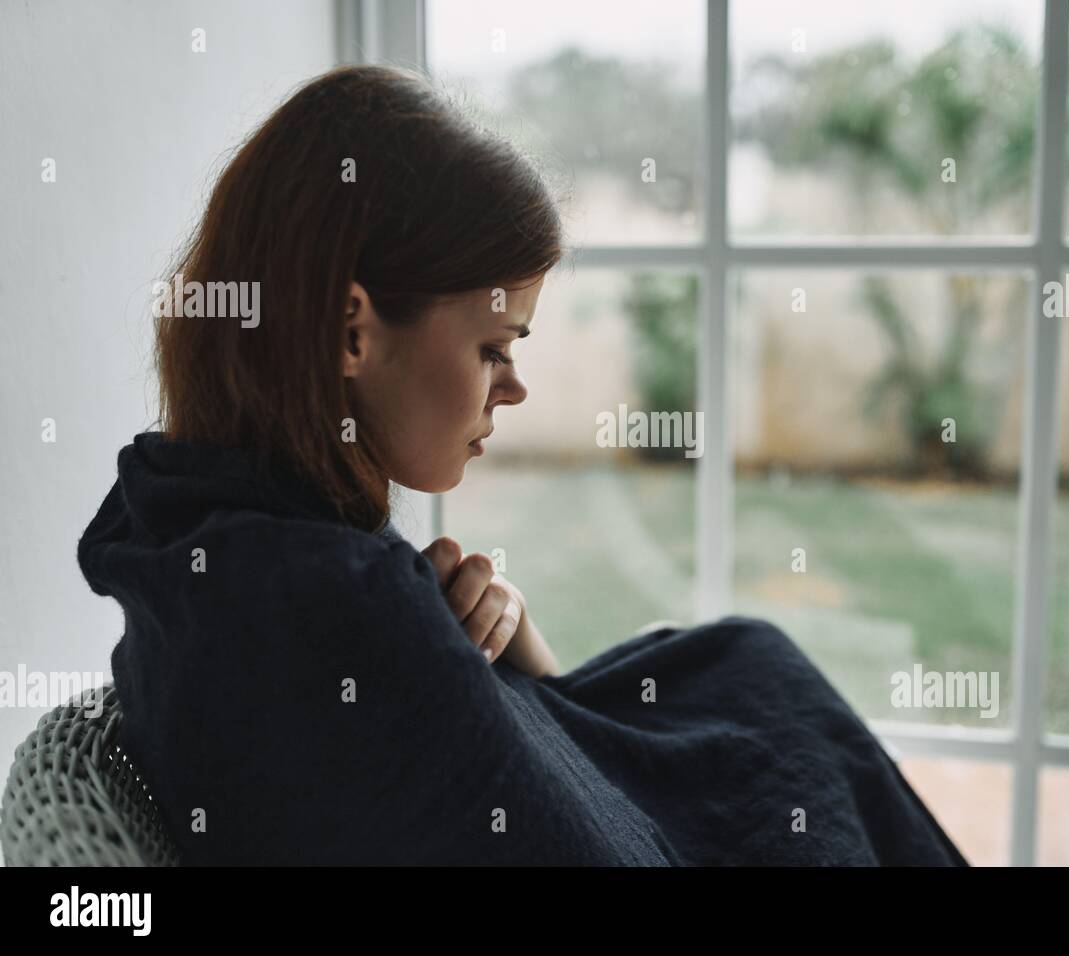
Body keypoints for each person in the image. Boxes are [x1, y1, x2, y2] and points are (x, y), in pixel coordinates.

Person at [78, 65, 967, 866]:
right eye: (495, 348)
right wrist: (447, 663)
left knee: (739, 661)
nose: (515, 390)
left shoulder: (196, 529)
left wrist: (512, 669)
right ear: (352, 329)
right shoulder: (330, 605)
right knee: (767, 702)